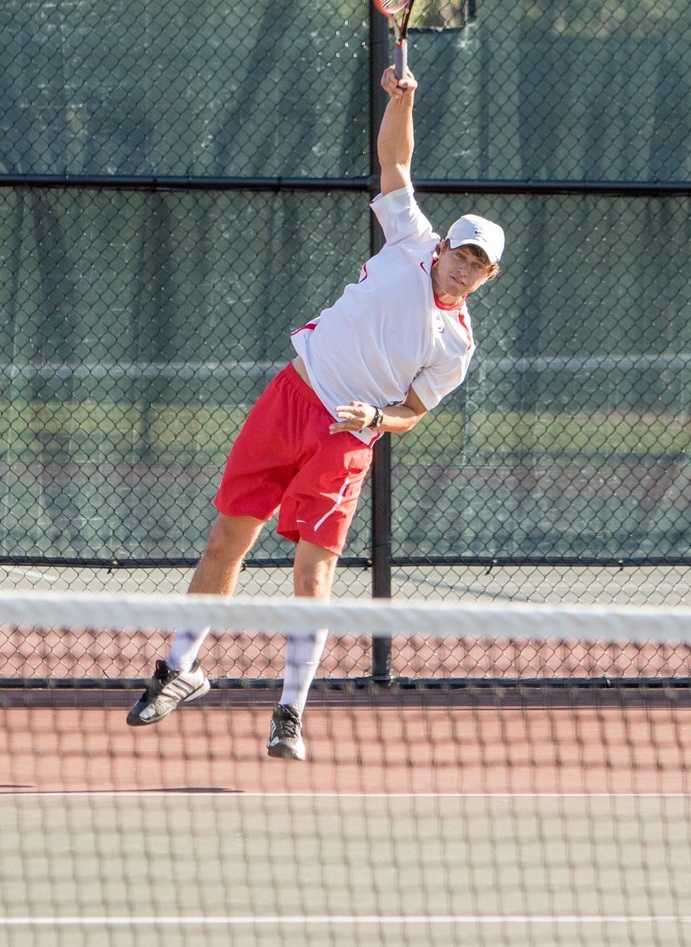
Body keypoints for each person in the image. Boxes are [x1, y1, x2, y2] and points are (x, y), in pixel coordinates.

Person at [125, 65, 504, 760]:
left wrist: (374, 420)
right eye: (461, 251)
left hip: (344, 439)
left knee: (313, 575)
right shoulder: (411, 237)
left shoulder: (457, 344)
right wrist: (405, 99)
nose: (462, 266)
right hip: (291, 398)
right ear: (444, 245)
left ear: (487, 277)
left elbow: (412, 412)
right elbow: (396, 159)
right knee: (224, 541)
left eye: (478, 264)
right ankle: (179, 669)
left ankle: (290, 715)